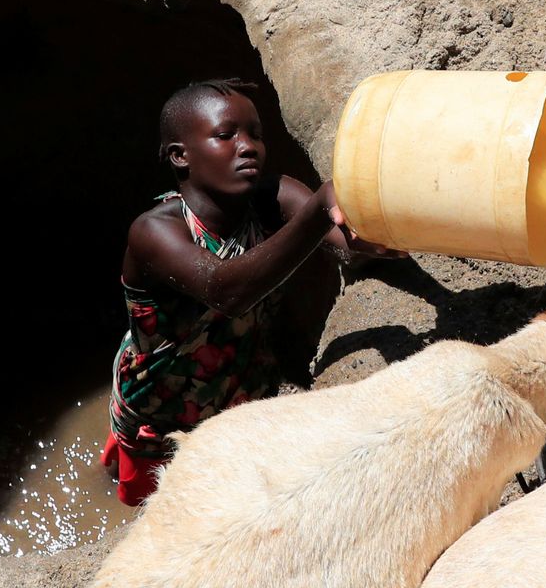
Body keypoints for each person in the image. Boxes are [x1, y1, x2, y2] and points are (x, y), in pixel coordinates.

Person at [100, 78, 395, 505]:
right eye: (226, 135)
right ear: (181, 156)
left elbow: (347, 247)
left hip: (244, 394)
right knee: (151, 507)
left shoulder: (272, 196)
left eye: (256, 134)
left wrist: (381, 229)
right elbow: (226, 290)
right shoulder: (156, 231)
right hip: (163, 410)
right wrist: (318, 211)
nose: (248, 146)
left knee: (230, 500)